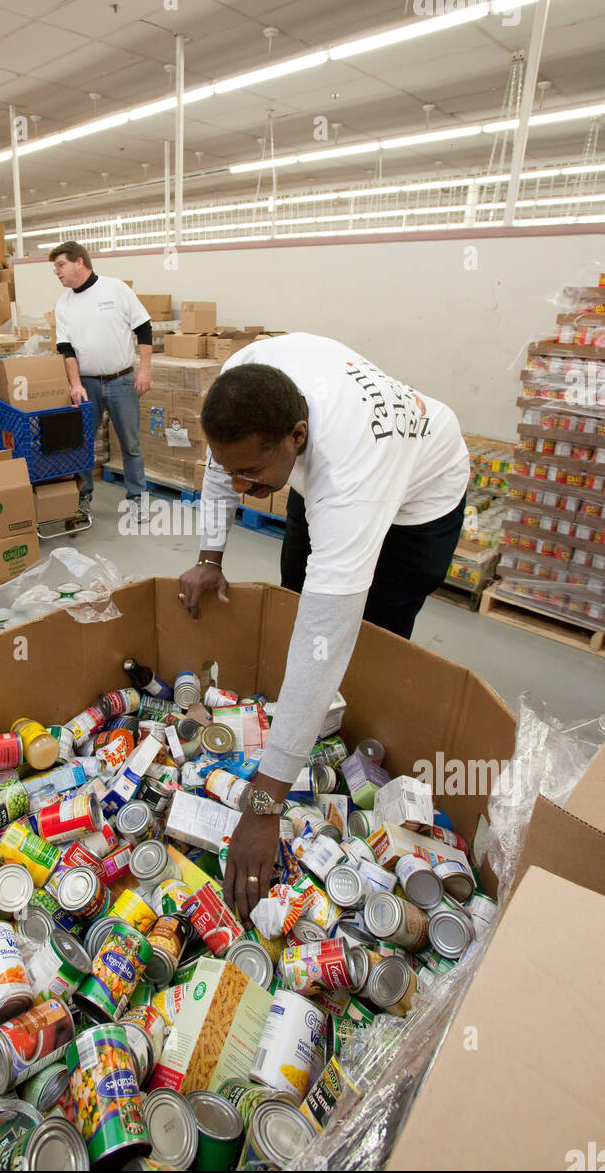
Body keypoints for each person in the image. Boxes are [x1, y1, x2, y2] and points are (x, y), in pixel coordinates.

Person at [177, 333, 469, 925]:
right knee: (295, 595)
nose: (240, 485)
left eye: (252, 472)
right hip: (327, 474)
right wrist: (210, 558)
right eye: (235, 470)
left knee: (367, 637)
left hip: (420, 500)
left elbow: (322, 637)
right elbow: (220, 469)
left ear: (298, 438)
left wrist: (263, 807)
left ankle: (345, 733)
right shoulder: (241, 388)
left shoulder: (349, 479)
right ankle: (307, 729)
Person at [49, 241, 152, 515]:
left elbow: (144, 329)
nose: (57, 272)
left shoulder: (115, 288)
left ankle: (137, 500)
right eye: (55, 267)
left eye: (61, 265)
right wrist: (75, 383)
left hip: (122, 381)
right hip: (88, 385)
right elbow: (65, 349)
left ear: (79, 262)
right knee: (83, 444)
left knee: (130, 443)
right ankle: (84, 498)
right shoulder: (64, 304)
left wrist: (144, 368)